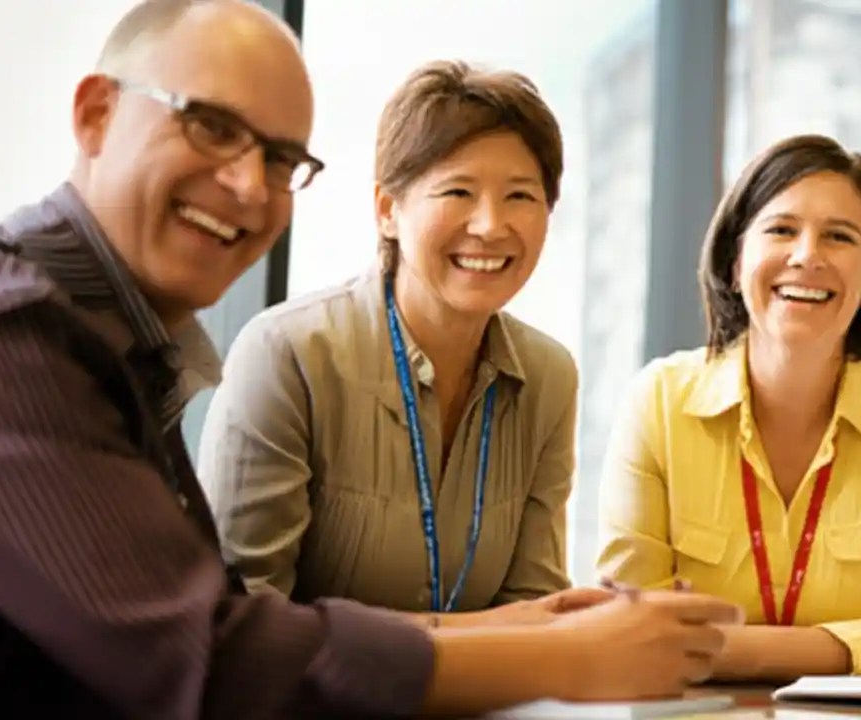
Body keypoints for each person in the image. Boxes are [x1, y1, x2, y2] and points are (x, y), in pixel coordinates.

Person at [0, 1, 742, 716]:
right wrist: (560, 658)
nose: (249, 184)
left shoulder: (129, 345)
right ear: (95, 114)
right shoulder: (13, 332)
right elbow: (214, 655)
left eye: (281, 159)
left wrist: (554, 634)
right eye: (209, 126)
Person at [197, 59, 594, 626]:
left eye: (521, 197)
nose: (489, 224)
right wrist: (475, 635)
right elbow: (244, 623)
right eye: (458, 190)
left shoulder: (549, 375)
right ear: (387, 210)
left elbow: (535, 608)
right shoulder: (290, 353)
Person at [596, 134, 861, 681]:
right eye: (781, 229)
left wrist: (730, 651)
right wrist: (840, 649)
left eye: (839, 237)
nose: (807, 256)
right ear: (734, 263)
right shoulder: (658, 401)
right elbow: (628, 628)